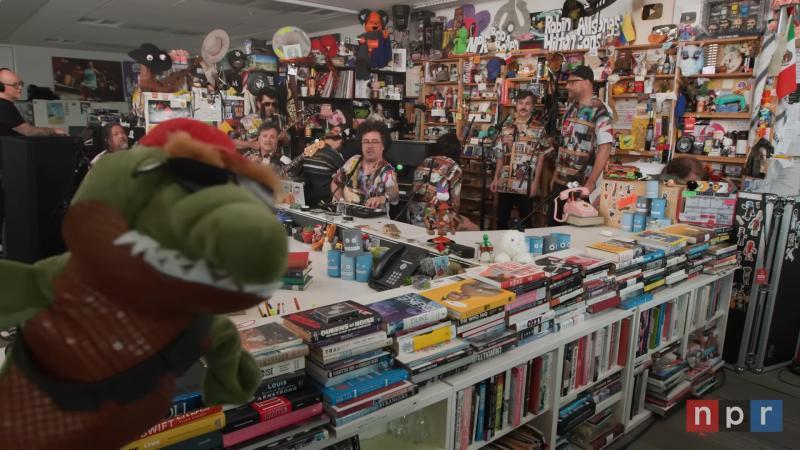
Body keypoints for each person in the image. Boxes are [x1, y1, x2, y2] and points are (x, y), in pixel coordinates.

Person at [534, 65, 613, 226]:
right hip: (560, 181)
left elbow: (605, 148)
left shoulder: (601, 111)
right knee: (553, 226)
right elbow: (566, 144)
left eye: (571, 82)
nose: (567, 86)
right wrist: (556, 173)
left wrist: (590, 183)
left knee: (572, 230)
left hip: (581, 184)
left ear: (586, 82)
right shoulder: (570, 109)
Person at [491, 90, 540, 230]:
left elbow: (541, 157)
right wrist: (495, 178)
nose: (523, 106)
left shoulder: (539, 129)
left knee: (527, 221)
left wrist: (536, 182)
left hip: (526, 183)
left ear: (532, 107)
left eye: (527, 103)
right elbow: (500, 156)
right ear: (516, 105)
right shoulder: (506, 128)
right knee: (502, 219)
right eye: (520, 103)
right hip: (505, 181)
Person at [331, 120, 399, 209]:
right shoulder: (354, 161)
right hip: (345, 218)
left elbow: (394, 192)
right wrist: (342, 201)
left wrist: (382, 198)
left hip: (372, 221)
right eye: (366, 142)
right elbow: (335, 183)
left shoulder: (386, 170)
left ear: (383, 146)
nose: (369, 146)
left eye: (374, 142)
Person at [407, 132, 463, 228]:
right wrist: (455, 219)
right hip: (436, 219)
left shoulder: (426, 161)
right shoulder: (455, 168)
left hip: (414, 215)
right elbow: (455, 202)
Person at [289, 125, 346, 207]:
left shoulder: (310, 150)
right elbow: (345, 176)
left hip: (305, 199)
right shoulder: (334, 155)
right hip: (323, 201)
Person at [0, 68, 67, 136]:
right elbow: (27, 131)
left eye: (20, 84)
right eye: (15, 85)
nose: (20, 87)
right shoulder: (4, 106)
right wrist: (53, 130)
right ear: (1, 86)